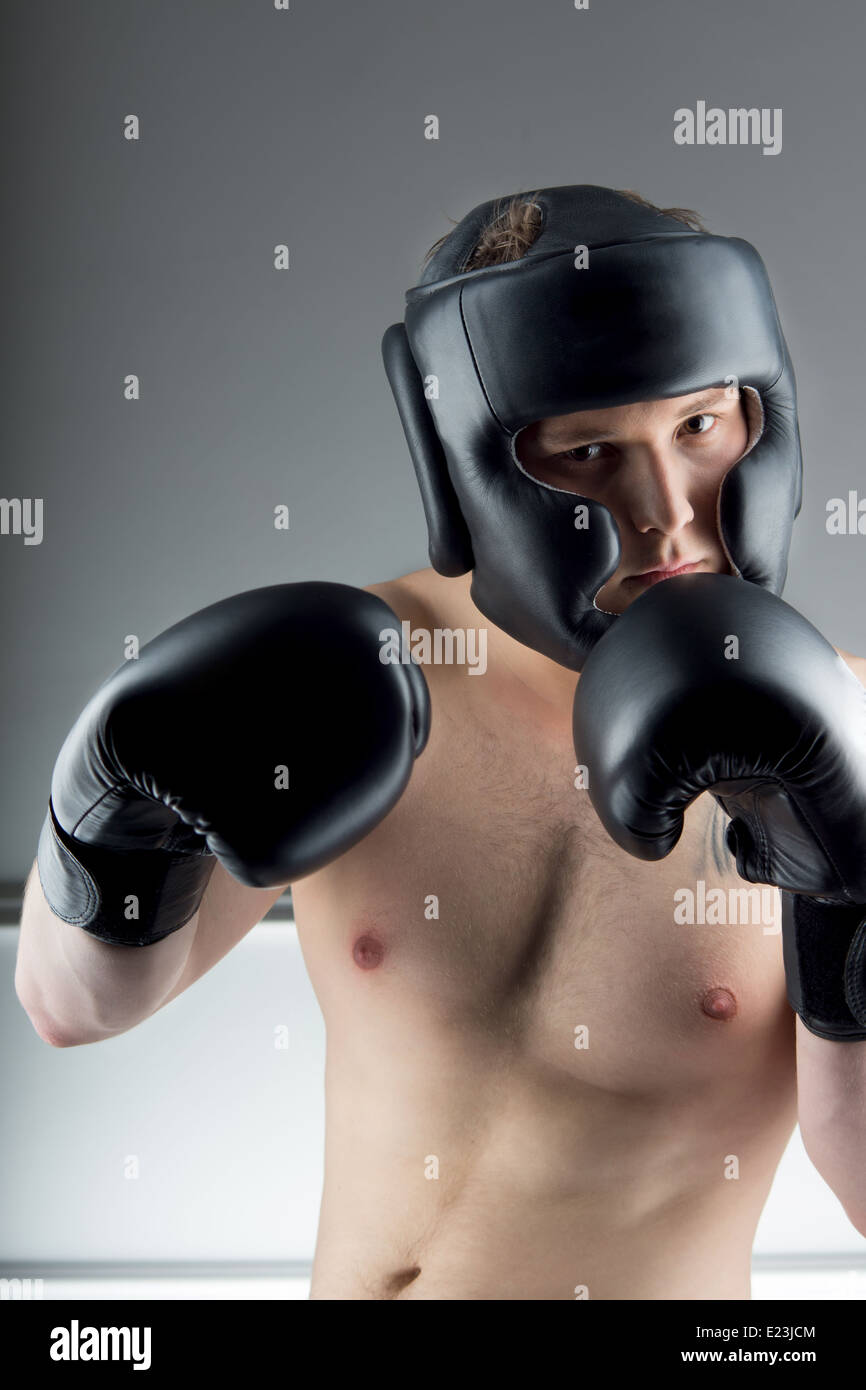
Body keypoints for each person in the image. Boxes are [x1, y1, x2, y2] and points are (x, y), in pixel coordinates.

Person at [16, 186, 866, 1301]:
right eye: (586, 451)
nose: (664, 510)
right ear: (465, 467)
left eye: (699, 426)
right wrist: (110, 811)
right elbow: (74, 1008)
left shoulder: (846, 732)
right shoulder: (351, 679)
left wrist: (845, 875)